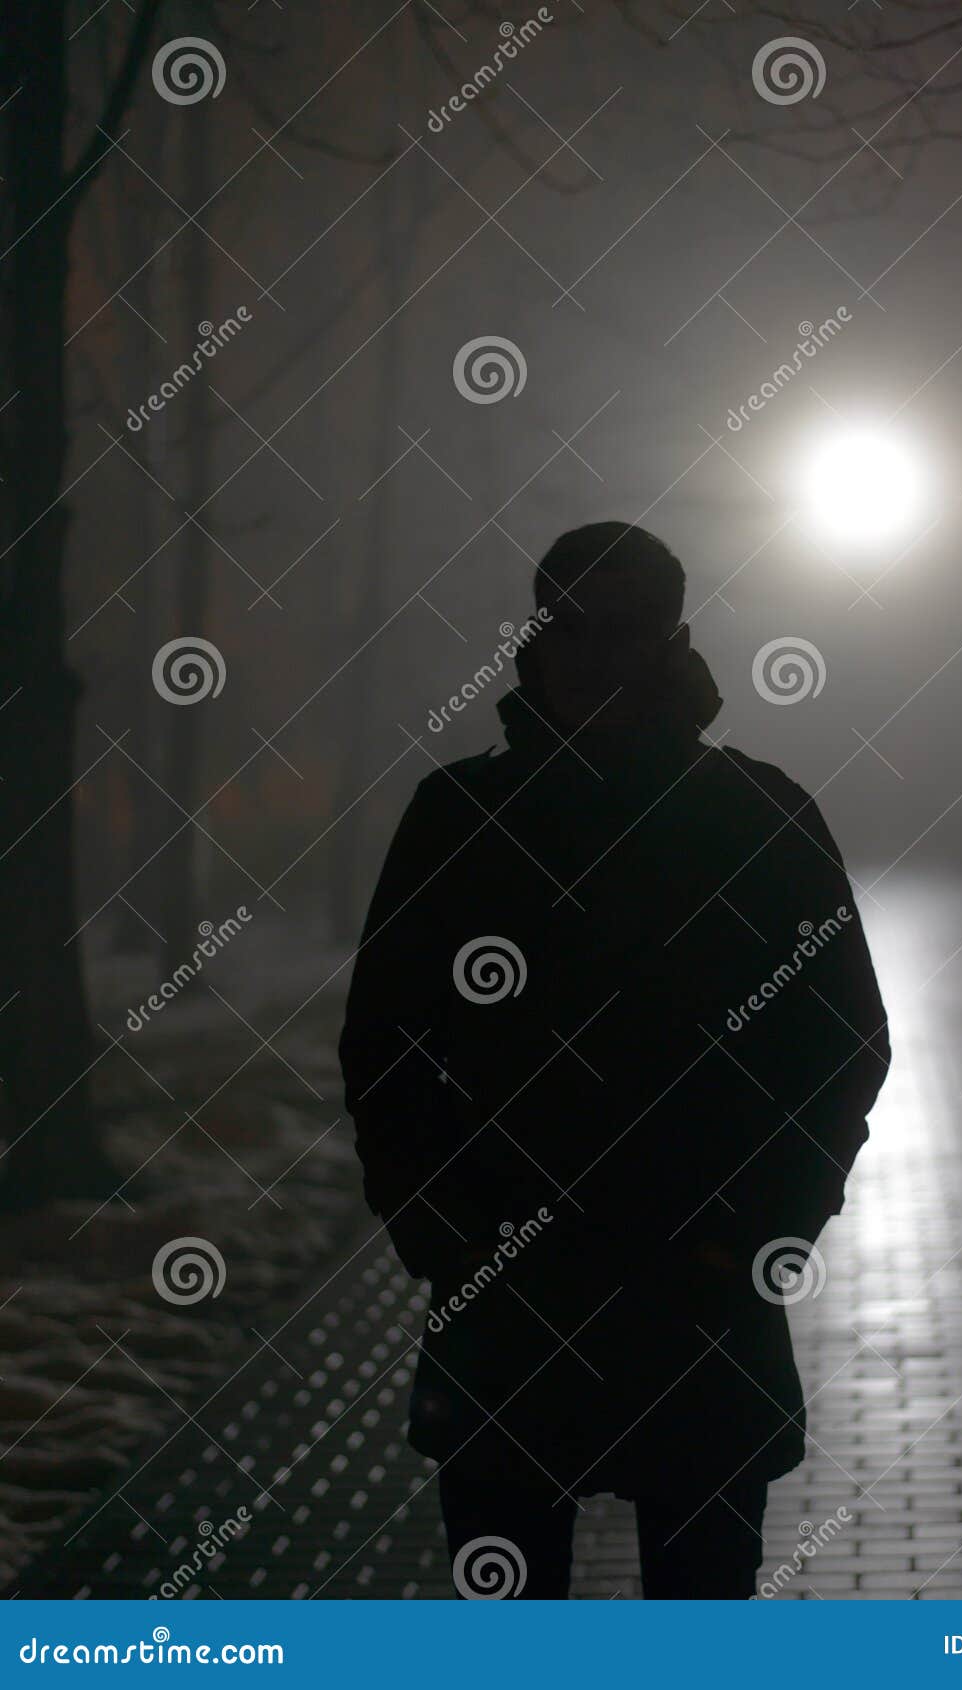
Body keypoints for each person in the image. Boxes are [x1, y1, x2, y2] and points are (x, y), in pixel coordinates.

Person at [339, 522, 890, 1599]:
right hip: (636, 1283)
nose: (599, 661)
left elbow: (842, 1046)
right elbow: (385, 1045)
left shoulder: (471, 815)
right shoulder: (752, 813)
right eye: (581, 633)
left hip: (583, 1285)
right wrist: (761, 1229)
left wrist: (446, 1229)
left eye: (618, 636)